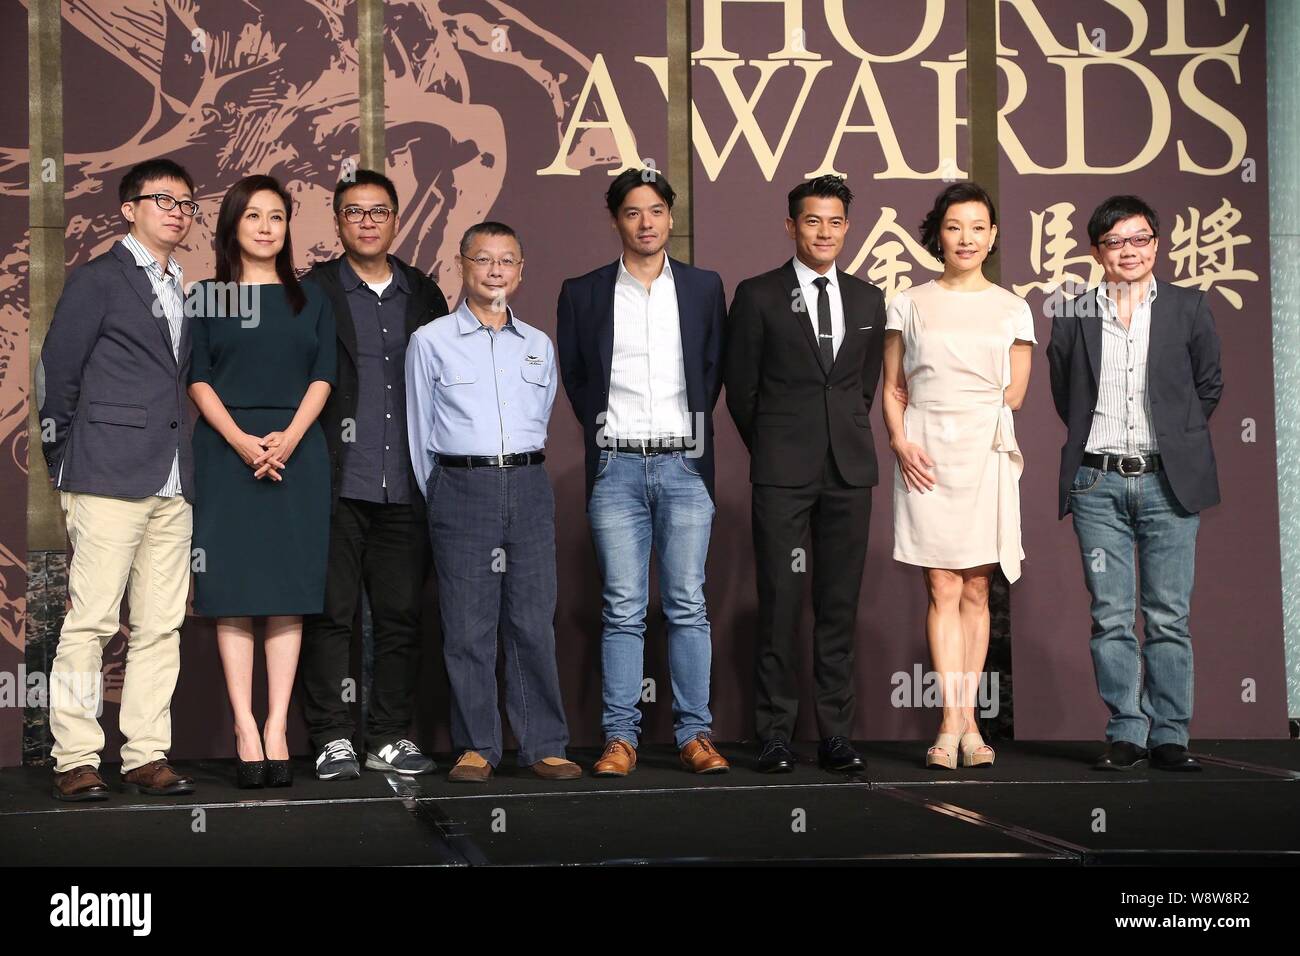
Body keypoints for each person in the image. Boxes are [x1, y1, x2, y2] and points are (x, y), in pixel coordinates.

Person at [557, 168, 730, 777]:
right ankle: (620, 739)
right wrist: (605, 437)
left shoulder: (706, 288)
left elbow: (713, 369)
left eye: (656, 210)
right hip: (617, 468)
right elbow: (576, 377)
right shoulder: (583, 292)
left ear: (671, 217)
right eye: (633, 212)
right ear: (616, 220)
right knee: (623, 607)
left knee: (687, 604)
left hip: (685, 464)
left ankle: (695, 734)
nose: (646, 222)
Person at [38, 158, 200, 801]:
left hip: (173, 478)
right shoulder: (98, 280)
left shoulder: (184, 284)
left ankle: (145, 756)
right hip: (104, 474)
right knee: (92, 623)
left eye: (187, 202)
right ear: (129, 209)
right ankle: (76, 756)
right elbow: (57, 373)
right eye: (163, 199)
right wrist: (63, 464)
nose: (177, 210)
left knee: (162, 626)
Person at [1047, 195, 1222, 773]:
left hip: (1167, 480)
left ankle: (1171, 734)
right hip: (1097, 481)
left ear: (1156, 243)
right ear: (1097, 251)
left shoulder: (1188, 309)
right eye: (1117, 242)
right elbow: (1063, 391)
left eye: (1141, 239)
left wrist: (1174, 441)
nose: (1131, 251)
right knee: (1111, 614)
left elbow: (1207, 388)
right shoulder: (1072, 313)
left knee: (1169, 614)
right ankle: (1127, 729)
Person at [407, 222, 581, 784]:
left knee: (533, 621)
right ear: (463, 265)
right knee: (467, 625)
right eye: (484, 259)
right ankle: (477, 745)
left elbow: (544, 415)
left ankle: (544, 744)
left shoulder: (537, 345)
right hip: (461, 487)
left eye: (507, 260)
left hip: (528, 486)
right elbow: (417, 431)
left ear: (521, 271)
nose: (496, 270)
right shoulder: (430, 340)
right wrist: (441, 492)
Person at [724, 174, 885, 774]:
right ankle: (775, 733)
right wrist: (776, 446)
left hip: (849, 472)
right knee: (781, 603)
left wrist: (834, 435)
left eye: (836, 221)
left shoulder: (869, 299)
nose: (825, 232)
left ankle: (836, 735)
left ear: (848, 227)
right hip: (781, 473)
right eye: (812, 221)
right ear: (791, 226)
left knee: (838, 605)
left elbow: (861, 388)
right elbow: (740, 390)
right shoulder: (758, 294)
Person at [300, 170, 449, 781]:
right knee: (331, 616)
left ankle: (388, 733)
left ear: (396, 220)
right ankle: (333, 735)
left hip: (407, 482)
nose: (367, 221)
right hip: (333, 481)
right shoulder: (311, 290)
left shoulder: (424, 292)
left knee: (400, 618)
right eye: (354, 212)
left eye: (379, 211)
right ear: (337, 222)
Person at [187, 174, 336, 789]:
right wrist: (244, 443)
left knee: (287, 591)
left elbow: (323, 375)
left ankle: (277, 727)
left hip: (298, 452)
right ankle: (244, 728)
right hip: (228, 453)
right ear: (232, 226)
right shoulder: (210, 295)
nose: (266, 227)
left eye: (277, 216)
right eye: (253, 216)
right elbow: (198, 378)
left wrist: (289, 440)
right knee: (236, 592)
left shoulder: (310, 296)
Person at [881, 182, 1035, 770]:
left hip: (985, 451)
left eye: (978, 227)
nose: (966, 237)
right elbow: (893, 387)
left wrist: (973, 413)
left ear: (992, 236)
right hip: (925, 452)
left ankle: (968, 725)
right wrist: (900, 441)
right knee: (941, 585)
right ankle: (952, 724)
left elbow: (1015, 393)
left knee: (976, 586)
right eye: (954, 226)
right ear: (936, 234)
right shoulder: (909, 302)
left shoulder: (1011, 307)